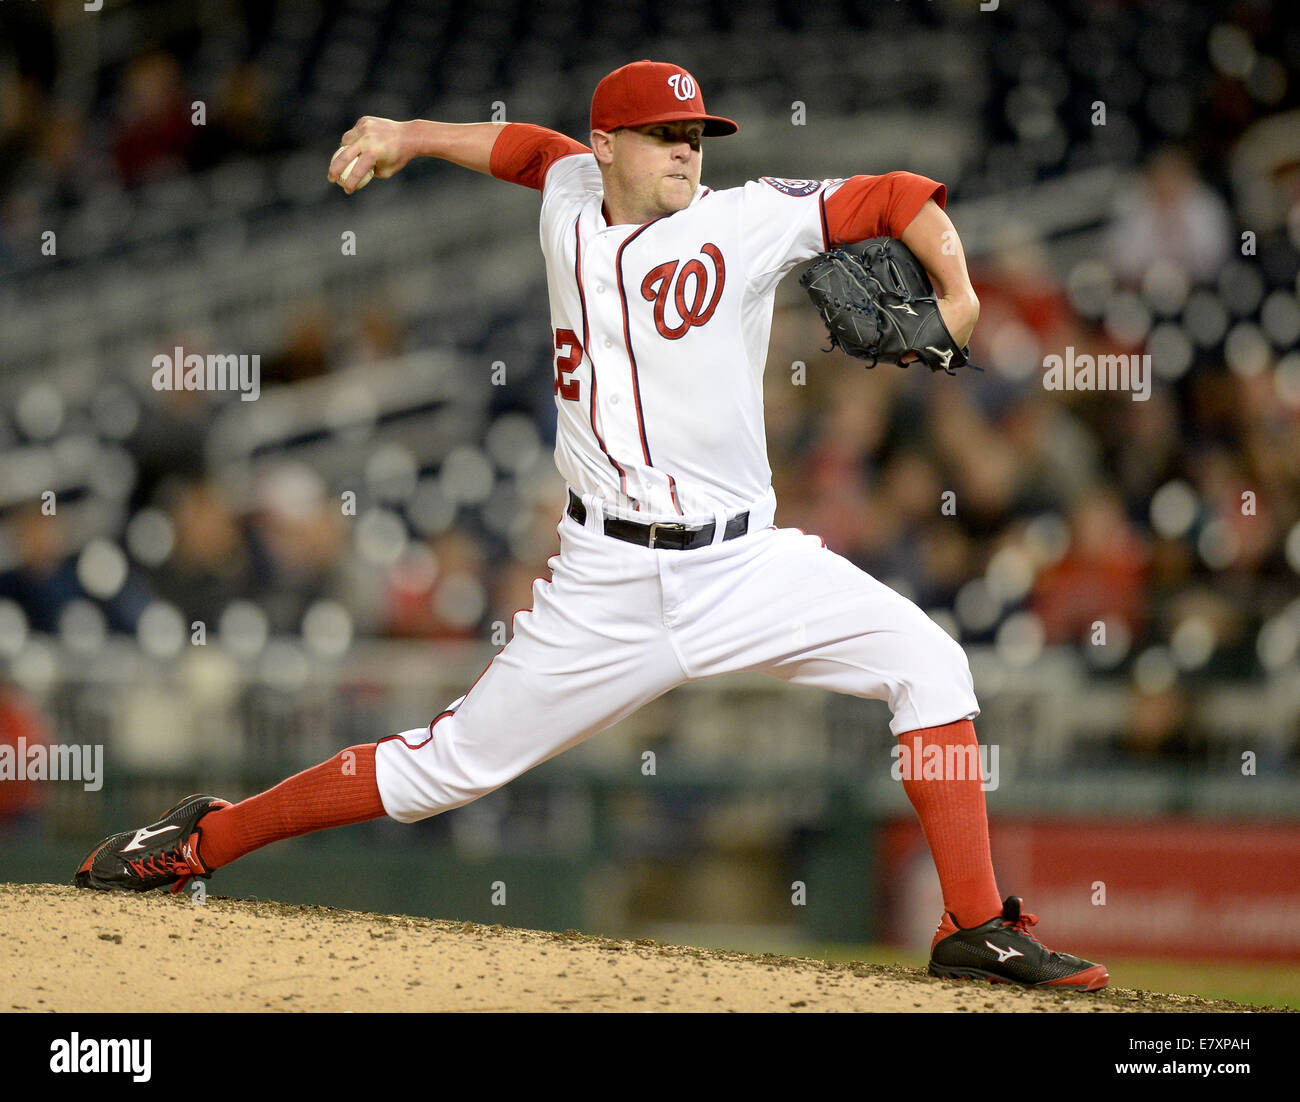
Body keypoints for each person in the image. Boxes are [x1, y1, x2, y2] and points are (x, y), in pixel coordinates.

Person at [76, 60, 1107, 991]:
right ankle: (202, 841)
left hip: (745, 564)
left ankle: (973, 924)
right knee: (443, 771)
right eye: (665, 135)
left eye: (695, 137)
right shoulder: (572, 190)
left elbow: (893, 196)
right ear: (609, 145)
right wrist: (406, 134)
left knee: (929, 664)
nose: (684, 153)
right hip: (606, 579)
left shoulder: (741, 220)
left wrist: (960, 296)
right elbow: (527, 149)